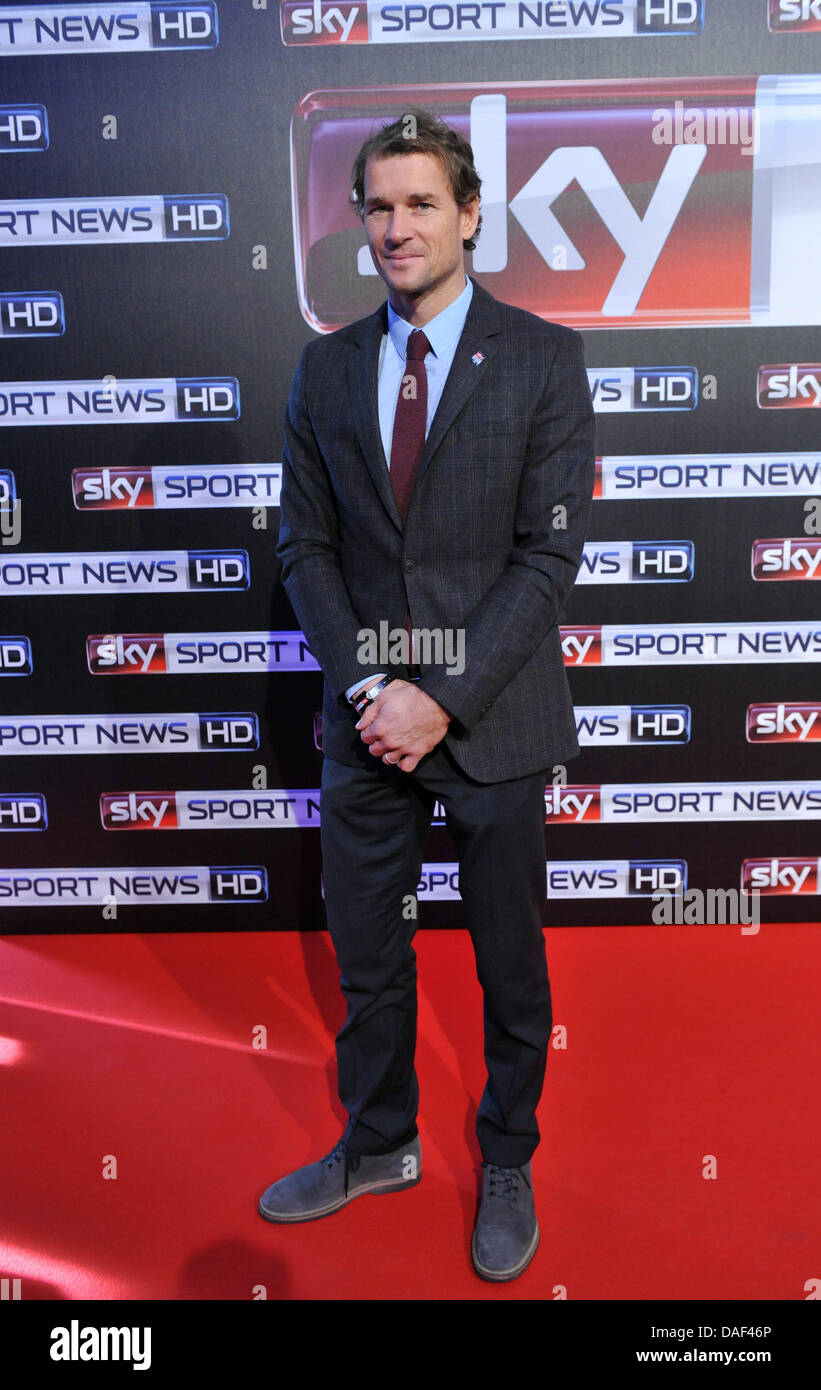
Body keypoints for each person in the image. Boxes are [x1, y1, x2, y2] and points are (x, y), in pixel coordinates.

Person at [262, 108, 595, 1283]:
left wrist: (438, 696)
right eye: (376, 206)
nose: (395, 227)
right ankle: (378, 1141)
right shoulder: (325, 366)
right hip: (363, 725)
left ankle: (505, 1153)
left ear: (467, 216)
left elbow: (543, 561)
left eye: (419, 203)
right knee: (369, 956)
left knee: (509, 960)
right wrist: (369, 685)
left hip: (493, 716)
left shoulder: (545, 359)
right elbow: (304, 547)